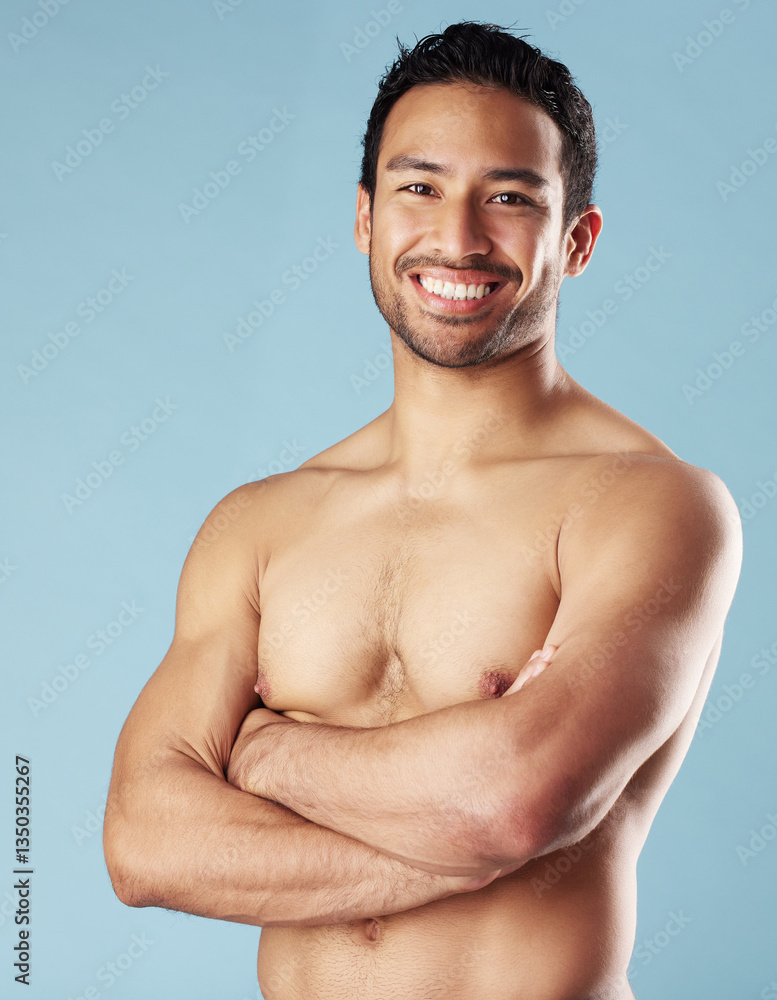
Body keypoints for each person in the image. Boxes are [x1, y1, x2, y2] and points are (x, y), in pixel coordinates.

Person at [103, 21, 742, 1000]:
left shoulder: (650, 504)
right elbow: (145, 841)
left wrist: (269, 754)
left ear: (577, 240)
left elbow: (509, 805)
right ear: (365, 218)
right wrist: (459, 841)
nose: (457, 237)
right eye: (420, 188)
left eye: (511, 198)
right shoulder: (263, 526)